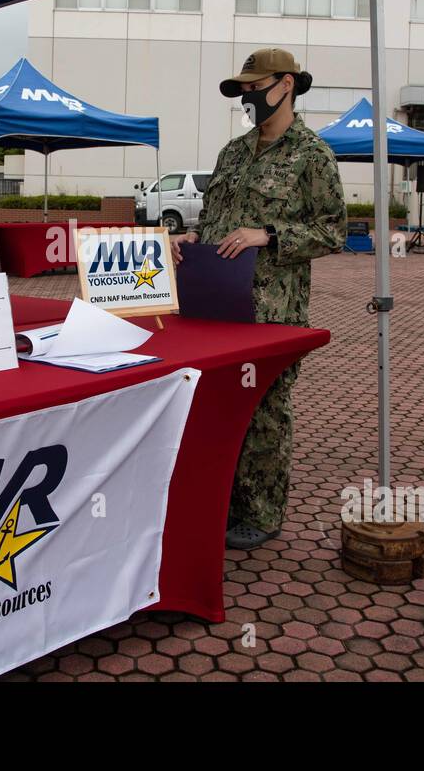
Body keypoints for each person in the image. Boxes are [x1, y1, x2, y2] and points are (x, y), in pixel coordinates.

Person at [171, 48, 347, 550]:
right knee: (219, 405)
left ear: (286, 84)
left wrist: (268, 234)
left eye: (255, 86)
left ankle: (263, 513)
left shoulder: (312, 154)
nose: (248, 96)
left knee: (266, 409)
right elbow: (217, 223)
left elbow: (334, 231)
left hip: (272, 311)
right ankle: (224, 502)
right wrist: (192, 243)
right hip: (215, 307)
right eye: (242, 90)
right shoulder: (232, 152)